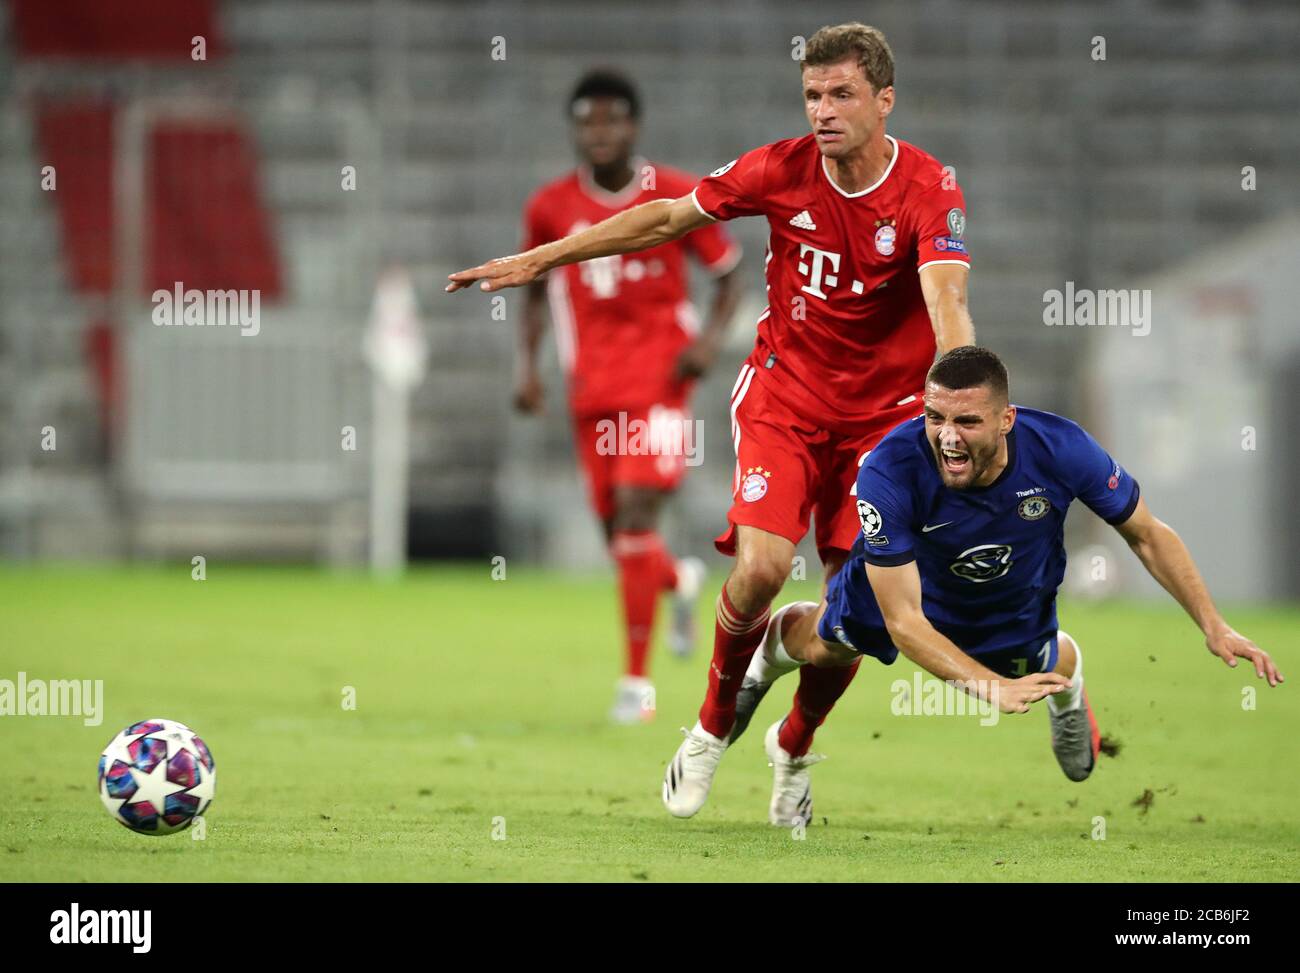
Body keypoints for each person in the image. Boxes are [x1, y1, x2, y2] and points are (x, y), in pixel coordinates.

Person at [447, 24, 976, 808]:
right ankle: (709, 725)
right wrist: (541, 258)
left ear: (884, 100)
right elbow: (665, 218)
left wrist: (959, 411)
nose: (823, 111)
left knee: (851, 618)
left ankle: (792, 744)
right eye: (812, 95)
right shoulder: (780, 168)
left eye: (841, 94)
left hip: (882, 422)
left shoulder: (930, 189)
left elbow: (947, 303)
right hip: (785, 398)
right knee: (760, 568)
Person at [729, 346, 1284, 825]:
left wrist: (1213, 625)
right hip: (907, 586)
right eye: (934, 417)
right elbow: (903, 622)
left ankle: (1068, 682)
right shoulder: (889, 468)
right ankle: (762, 665)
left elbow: (1146, 535)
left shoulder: (1062, 449)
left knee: (1039, 666)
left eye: (967, 421)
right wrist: (988, 688)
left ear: (1006, 420)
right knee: (823, 646)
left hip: (1005, 598)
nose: (948, 437)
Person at [515, 70, 743, 723]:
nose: (600, 132)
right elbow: (534, 289)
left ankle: (635, 686)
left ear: (633, 126)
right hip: (592, 387)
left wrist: (707, 345)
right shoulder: (550, 207)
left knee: (639, 517)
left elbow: (728, 275)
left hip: (662, 384)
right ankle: (679, 579)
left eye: (612, 119)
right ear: (574, 130)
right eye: (587, 121)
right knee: (620, 538)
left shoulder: (675, 194)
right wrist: (528, 369)